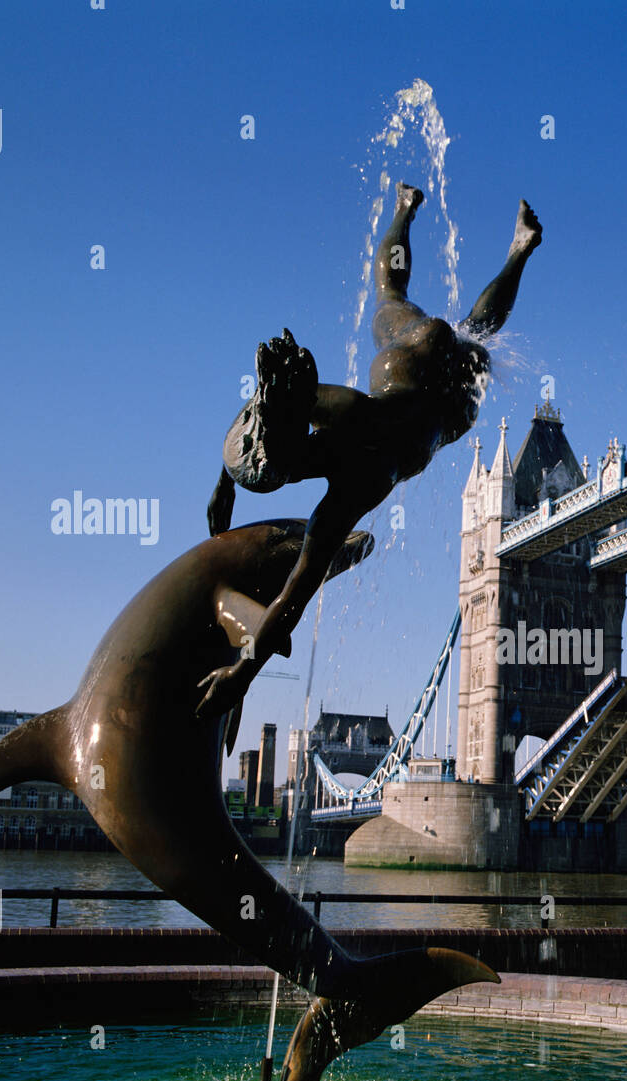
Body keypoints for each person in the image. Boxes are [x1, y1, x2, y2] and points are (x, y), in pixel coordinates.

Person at [196, 182, 542, 720]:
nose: (286, 477)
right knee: (396, 300)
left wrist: (243, 675)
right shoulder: (322, 406)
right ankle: (419, 212)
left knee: (464, 330)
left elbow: (294, 595)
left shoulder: (359, 480)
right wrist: (225, 475)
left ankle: (508, 245)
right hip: (413, 353)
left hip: (446, 400)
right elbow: (270, 400)